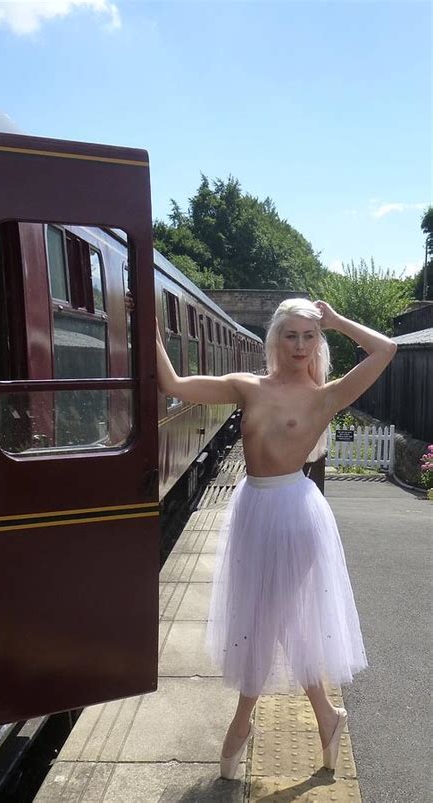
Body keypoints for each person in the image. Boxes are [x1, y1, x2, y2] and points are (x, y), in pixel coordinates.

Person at [153, 296, 397, 778]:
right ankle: (328, 718)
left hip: (294, 514)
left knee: (265, 619)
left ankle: (242, 724)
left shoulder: (326, 397)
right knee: (278, 620)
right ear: (276, 339)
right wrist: (149, 330)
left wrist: (337, 319)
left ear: (318, 341)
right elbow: (174, 384)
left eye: (310, 336)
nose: (301, 345)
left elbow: (385, 349)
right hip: (252, 508)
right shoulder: (248, 387)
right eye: (291, 335)